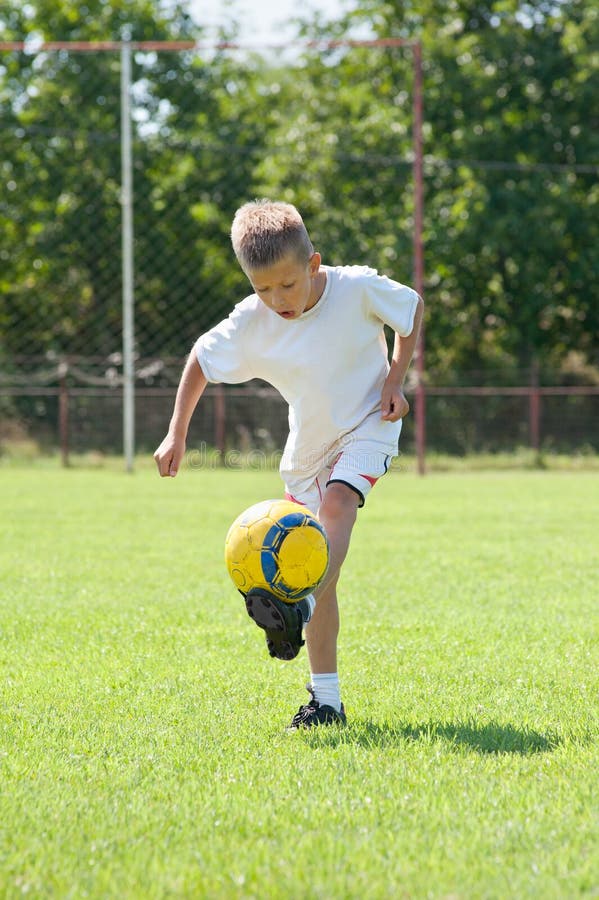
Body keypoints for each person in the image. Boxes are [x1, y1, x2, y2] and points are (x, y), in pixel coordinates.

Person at [154, 199, 423, 730]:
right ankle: (327, 703)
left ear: (313, 264)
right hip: (307, 451)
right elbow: (200, 361)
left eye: (287, 285)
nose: (277, 299)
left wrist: (395, 380)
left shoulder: (354, 288)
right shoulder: (252, 322)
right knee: (321, 572)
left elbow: (411, 312)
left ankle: (293, 606)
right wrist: (176, 433)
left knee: (340, 504)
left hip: (371, 422)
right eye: (262, 288)